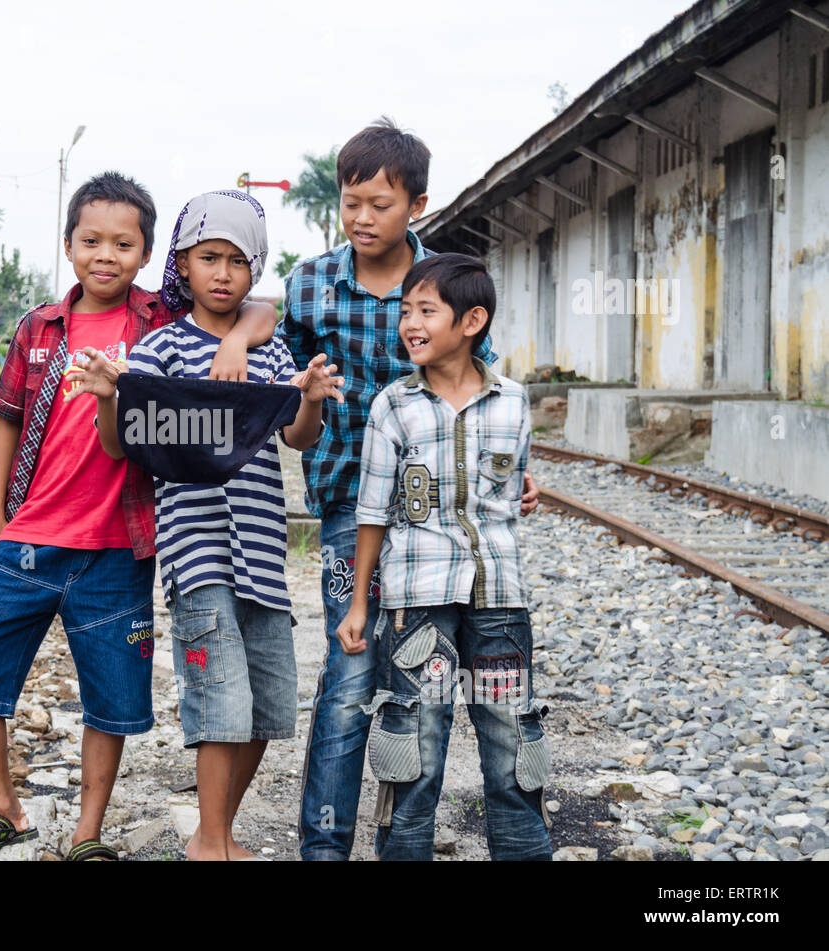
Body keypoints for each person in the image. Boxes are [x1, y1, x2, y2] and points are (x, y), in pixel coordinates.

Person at [0, 172, 278, 861]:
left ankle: (87, 831)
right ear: (69, 245)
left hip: (120, 541)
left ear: (148, 255)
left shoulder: (161, 322)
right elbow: (6, 418)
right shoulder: (39, 327)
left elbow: (255, 306)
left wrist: (238, 341)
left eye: (124, 242)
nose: (106, 255)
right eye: (92, 240)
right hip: (30, 533)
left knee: (108, 697)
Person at [281, 117, 540, 861]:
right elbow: (281, 362)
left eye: (379, 204)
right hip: (347, 508)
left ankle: (427, 833)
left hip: (442, 529)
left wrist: (517, 472)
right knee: (351, 675)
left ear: (416, 205)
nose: (362, 218)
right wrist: (252, 348)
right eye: (350, 201)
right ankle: (324, 845)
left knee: (430, 693)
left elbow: (482, 391)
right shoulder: (309, 285)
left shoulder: (448, 284)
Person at [75, 191, 343, 859]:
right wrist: (111, 398)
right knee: (220, 700)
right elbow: (120, 445)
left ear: (254, 272)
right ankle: (214, 843)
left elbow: (299, 438)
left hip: (262, 551)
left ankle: (210, 828)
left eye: (238, 262)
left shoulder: (270, 350)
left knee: (265, 707)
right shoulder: (159, 349)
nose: (223, 273)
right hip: (197, 552)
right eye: (208, 258)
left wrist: (308, 400)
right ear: (184, 266)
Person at [337, 252, 552, 861]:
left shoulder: (514, 400)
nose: (410, 323)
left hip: (501, 602)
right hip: (418, 604)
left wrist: (526, 491)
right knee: (415, 748)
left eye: (425, 310)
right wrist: (359, 603)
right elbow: (373, 510)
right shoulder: (393, 406)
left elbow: (511, 488)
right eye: (405, 311)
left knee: (512, 746)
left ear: (471, 320)